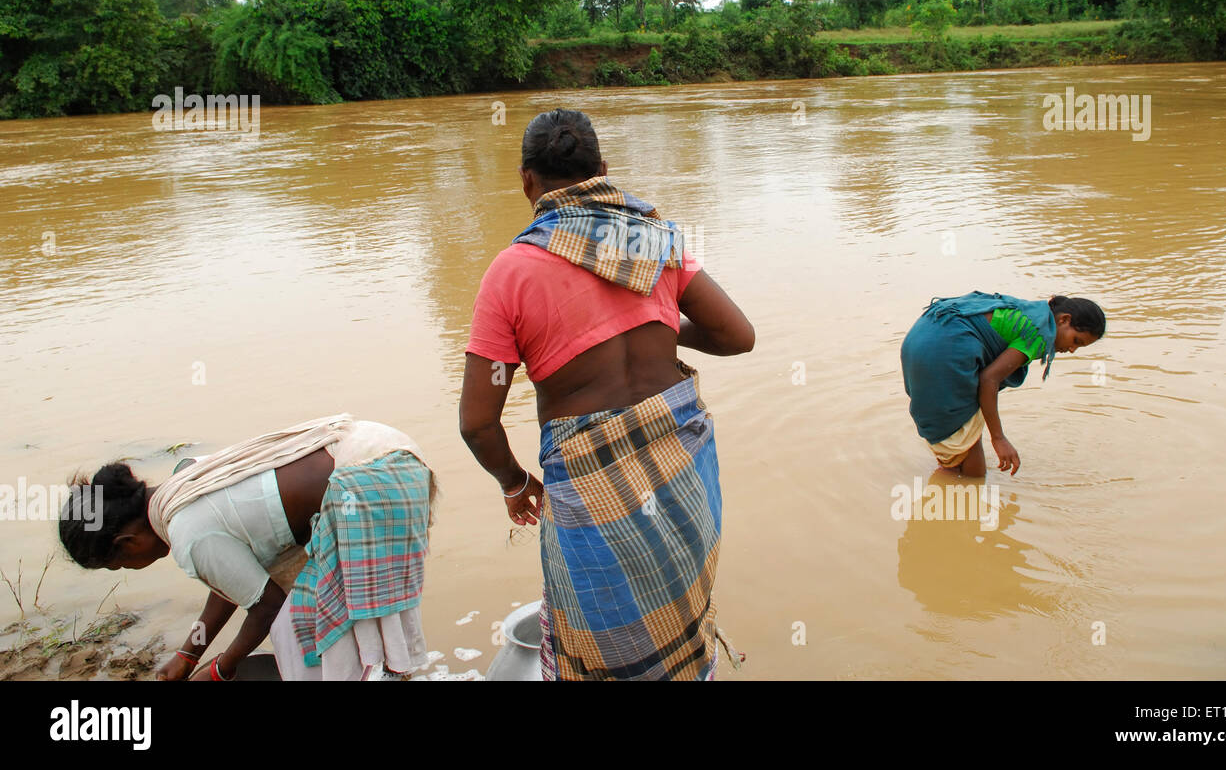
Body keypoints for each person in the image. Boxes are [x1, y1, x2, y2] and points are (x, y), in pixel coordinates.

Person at [459, 108, 755, 681]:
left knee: (597, 643)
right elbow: (736, 336)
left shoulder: (512, 271)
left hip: (590, 495)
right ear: (603, 169)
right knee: (683, 613)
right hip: (684, 472)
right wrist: (662, 321)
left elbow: (478, 422)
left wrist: (515, 482)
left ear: (527, 181)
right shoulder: (659, 240)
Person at [59, 414, 436, 681]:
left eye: (120, 565)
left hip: (374, 478)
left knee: (317, 625)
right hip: (375, 444)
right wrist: (188, 655)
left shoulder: (188, 535)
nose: (129, 568)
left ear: (127, 543)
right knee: (304, 624)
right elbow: (233, 582)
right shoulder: (183, 479)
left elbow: (265, 605)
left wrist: (223, 668)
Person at [899, 292, 1106, 477]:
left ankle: (946, 488)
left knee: (960, 449)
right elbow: (989, 379)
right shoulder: (1039, 333)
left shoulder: (1029, 310)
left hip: (921, 337)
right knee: (975, 474)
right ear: (1064, 320)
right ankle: (958, 498)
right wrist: (998, 439)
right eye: (1076, 341)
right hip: (943, 353)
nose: (1071, 350)